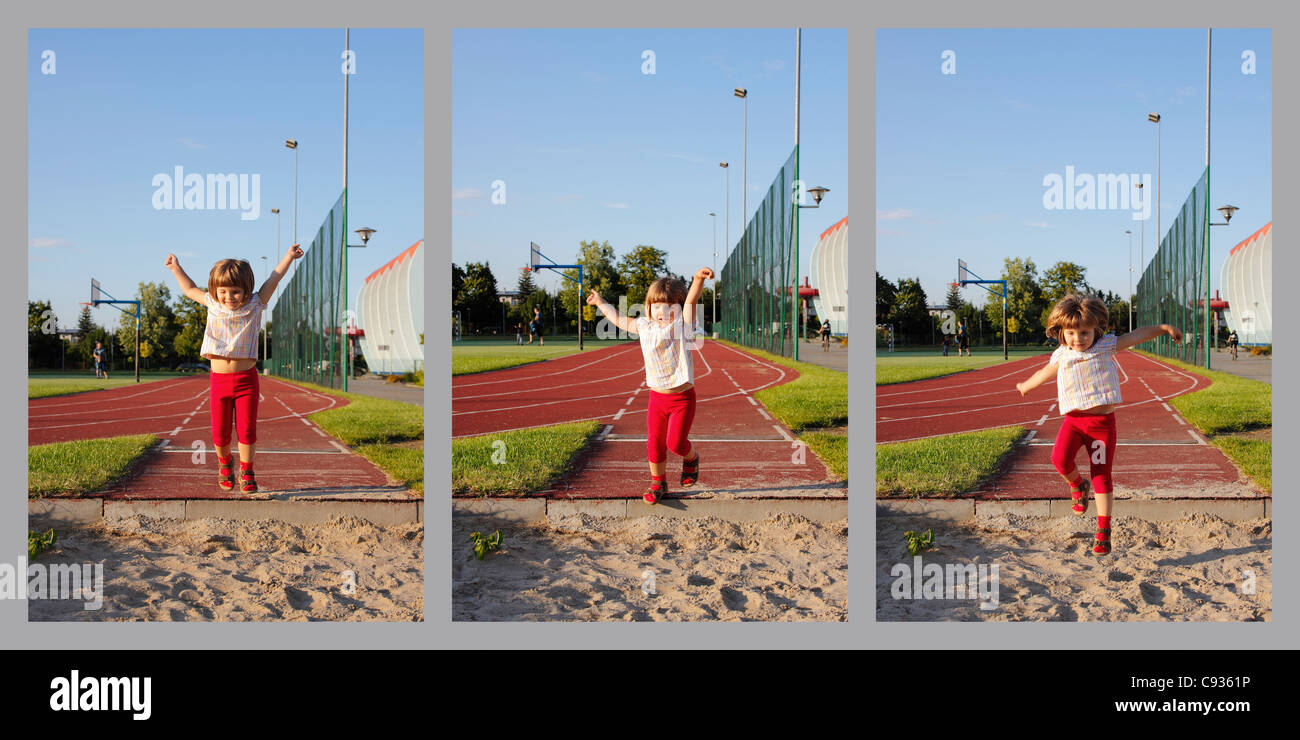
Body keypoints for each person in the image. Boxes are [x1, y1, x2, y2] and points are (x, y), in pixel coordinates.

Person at [1015, 294, 1182, 556]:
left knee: (1101, 474)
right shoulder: (1062, 355)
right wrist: (1026, 385)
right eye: (1071, 333)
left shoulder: (1105, 346)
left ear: (1096, 329)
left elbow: (1136, 335)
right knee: (1059, 460)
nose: (1077, 339)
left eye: (1084, 332)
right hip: (1073, 423)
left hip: (1101, 425)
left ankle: (1103, 530)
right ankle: (1077, 485)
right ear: (1062, 332)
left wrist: (1163, 328)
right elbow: (1043, 373)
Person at [166, 244, 304, 493]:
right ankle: (224, 464)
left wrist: (288, 257)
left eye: (235, 291)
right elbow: (189, 289)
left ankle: (247, 470)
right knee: (220, 432)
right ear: (215, 291)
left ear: (246, 290)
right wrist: (176, 268)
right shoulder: (213, 304)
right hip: (219, 380)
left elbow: (274, 278)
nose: (229, 297)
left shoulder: (256, 303)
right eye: (223, 291)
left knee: (247, 429)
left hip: (246, 380)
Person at [588, 268, 710, 504]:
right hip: (657, 398)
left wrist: (697, 280)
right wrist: (600, 302)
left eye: (670, 306)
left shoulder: (682, 326)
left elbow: (692, 300)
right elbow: (619, 319)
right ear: (649, 307)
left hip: (682, 398)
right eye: (657, 306)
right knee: (654, 443)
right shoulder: (644, 325)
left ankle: (691, 458)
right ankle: (658, 483)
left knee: (676, 443)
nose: (663, 312)